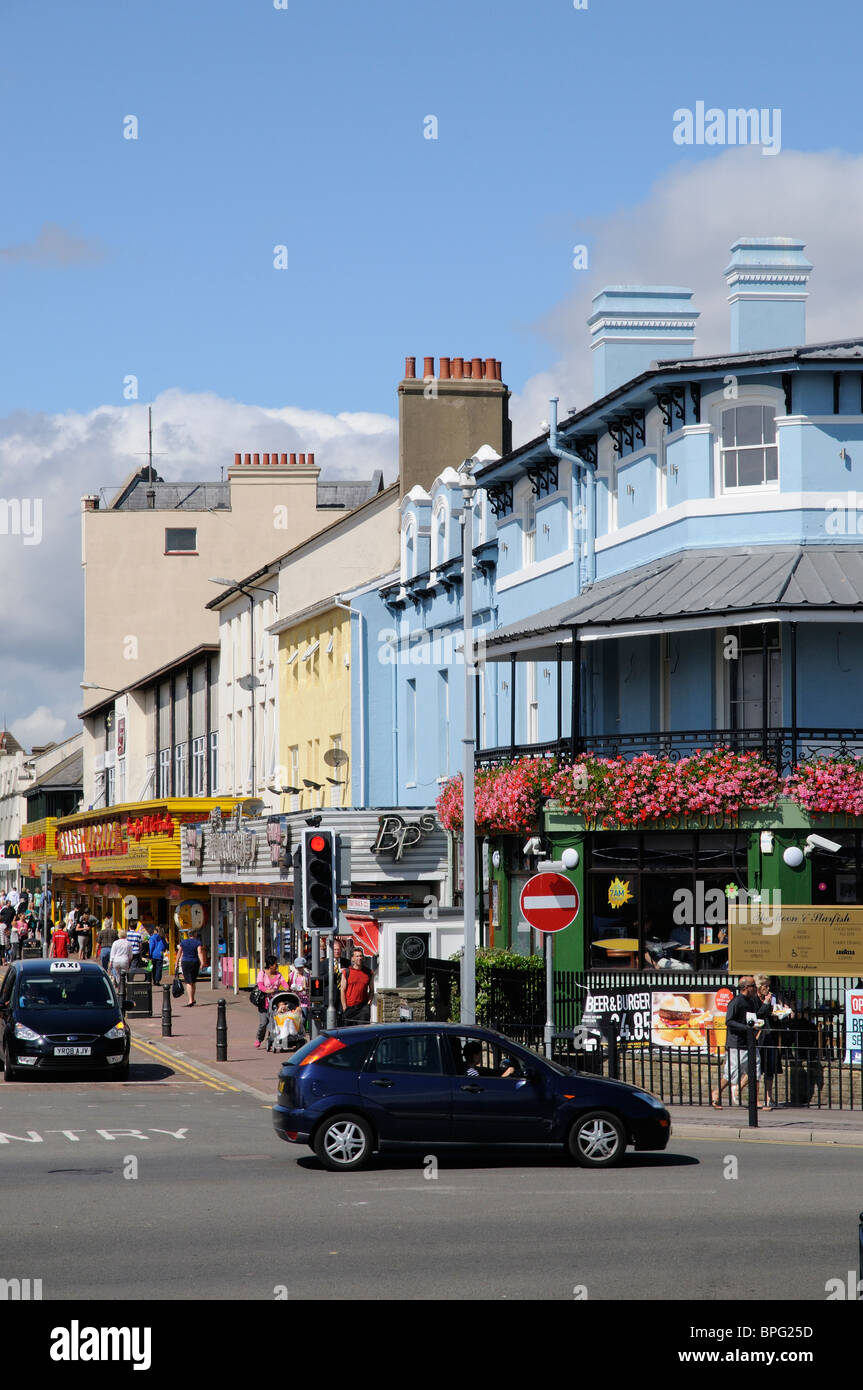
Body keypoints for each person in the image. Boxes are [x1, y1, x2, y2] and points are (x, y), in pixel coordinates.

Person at [712, 975, 771, 1107]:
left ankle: (755, 1100)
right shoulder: (736, 1002)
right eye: (753, 986)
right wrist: (746, 1027)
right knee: (731, 1074)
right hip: (737, 1043)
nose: (755, 988)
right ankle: (716, 1092)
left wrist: (767, 1003)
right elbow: (729, 1021)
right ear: (745, 988)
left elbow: (757, 1016)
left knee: (755, 1072)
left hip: (750, 1042)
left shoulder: (752, 1001)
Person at [755, 974, 782, 1110]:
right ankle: (756, 1098)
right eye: (765, 986)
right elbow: (758, 1015)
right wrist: (766, 1003)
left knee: (770, 1068)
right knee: (757, 1070)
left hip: (770, 1035)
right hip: (759, 1037)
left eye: (768, 986)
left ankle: (769, 1097)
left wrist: (779, 1012)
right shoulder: (754, 1000)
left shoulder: (771, 998)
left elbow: (770, 1015)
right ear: (759, 987)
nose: (768, 988)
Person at [254, 956, 286, 1048]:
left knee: (274, 1021)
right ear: (270, 965)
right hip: (264, 1001)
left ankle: (271, 1039)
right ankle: (259, 1038)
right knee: (263, 1023)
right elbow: (260, 985)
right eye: (276, 964)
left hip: (275, 1001)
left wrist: (288, 989)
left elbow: (284, 984)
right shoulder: (262, 973)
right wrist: (267, 990)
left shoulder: (279, 975)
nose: (277, 966)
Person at [340, 947, 374, 1025]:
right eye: (357, 956)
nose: (359, 958)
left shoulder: (369, 972)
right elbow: (342, 990)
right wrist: (345, 1007)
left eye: (361, 956)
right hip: (349, 1008)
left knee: (362, 1033)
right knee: (348, 1033)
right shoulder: (346, 972)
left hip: (362, 1008)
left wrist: (368, 1004)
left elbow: (372, 990)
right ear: (353, 958)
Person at [177, 929, 207, 1007]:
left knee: (188, 982)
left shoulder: (183, 942)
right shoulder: (197, 942)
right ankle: (192, 999)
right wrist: (202, 962)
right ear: (195, 934)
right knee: (193, 981)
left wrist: (176, 962)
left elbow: (179, 952)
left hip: (185, 962)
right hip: (194, 962)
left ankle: (190, 1000)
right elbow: (199, 952)